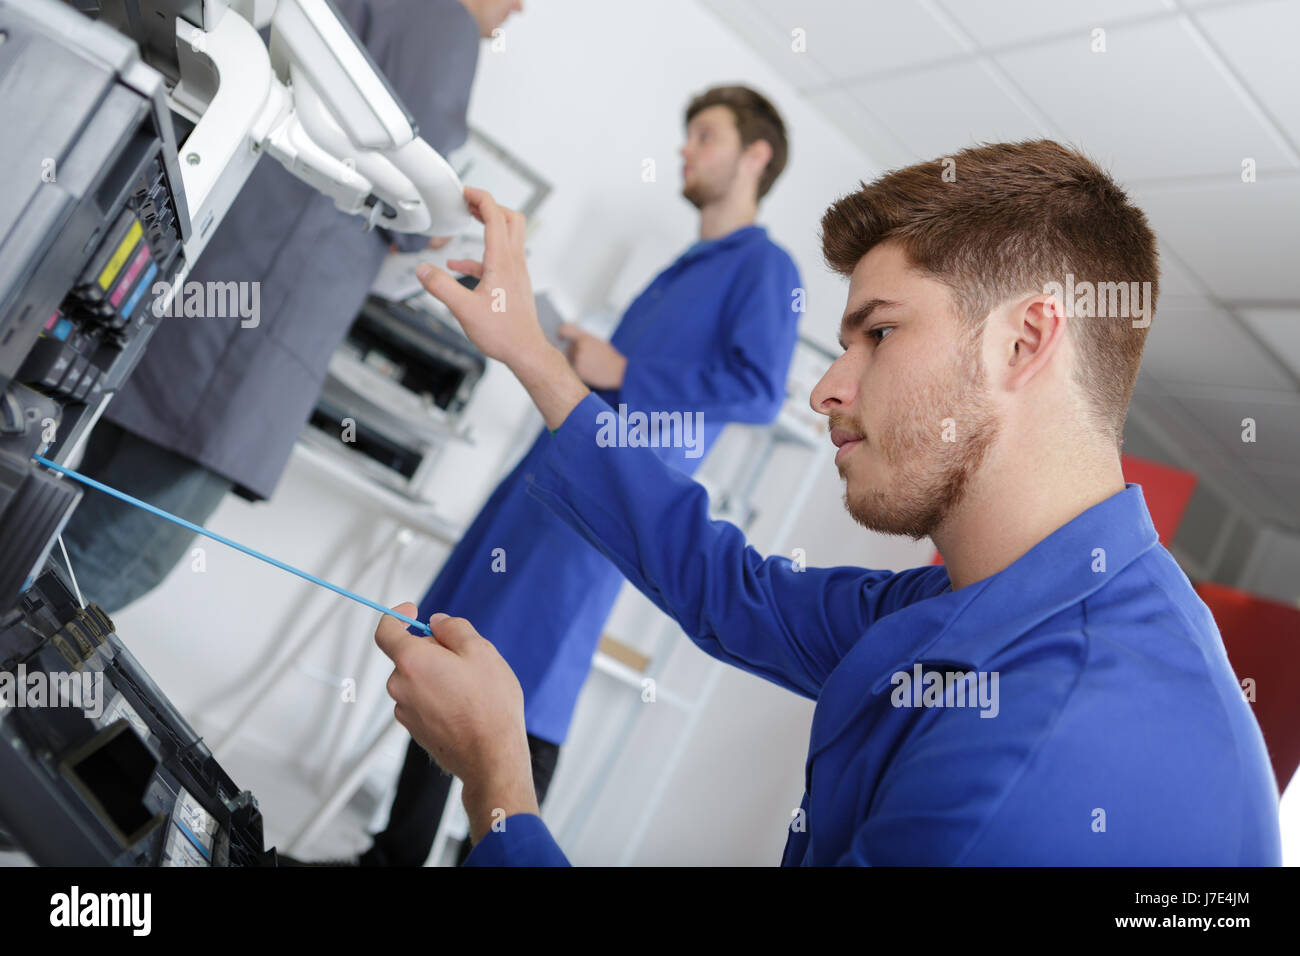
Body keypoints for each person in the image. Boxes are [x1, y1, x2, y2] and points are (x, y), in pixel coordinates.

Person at [377, 140, 1283, 865]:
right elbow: (732, 591)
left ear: (1024, 342)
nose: (825, 390)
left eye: (878, 333)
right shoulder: (988, 601)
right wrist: (534, 353)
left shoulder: (1050, 743)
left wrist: (499, 788)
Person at [361, 85, 802, 866]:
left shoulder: (765, 267)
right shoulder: (685, 266)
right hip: (556, 472)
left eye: (704, 136)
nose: (686, 150)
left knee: (531, 677)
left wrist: (625, 366)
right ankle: (391, 857)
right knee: (450, 635)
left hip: (609, 503)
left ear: (756, 155)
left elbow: (760, 391)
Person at [61, 0, 522, 612]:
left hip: (197, 299)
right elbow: (417, 188)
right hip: (239, 352)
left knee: (61, 523)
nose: (520, 7)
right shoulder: (445, 24)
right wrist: (440, 229)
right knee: (113, 565)